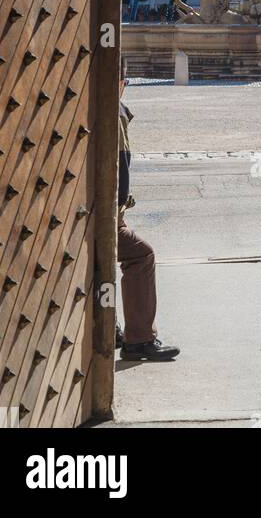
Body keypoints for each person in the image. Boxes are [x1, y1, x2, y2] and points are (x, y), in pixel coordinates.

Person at [117, 66, 180, 361]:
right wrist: (118, 207)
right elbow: (119, 171)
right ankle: (139, 340)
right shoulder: (113, 111)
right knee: (141, 255)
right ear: (123, 82)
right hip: (105, 215)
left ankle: (109, 328)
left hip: (98, 212)